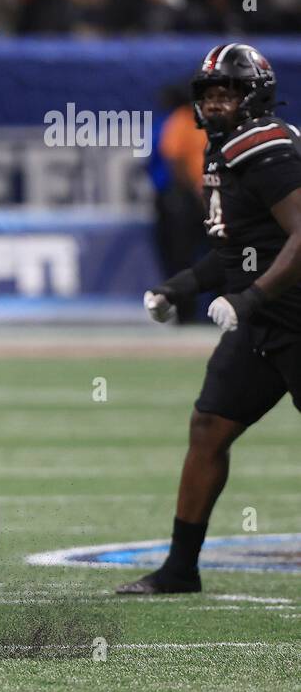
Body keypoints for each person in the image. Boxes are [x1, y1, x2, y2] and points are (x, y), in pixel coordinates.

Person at [123, 44, 301, 594]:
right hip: (265, 324)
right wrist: (177, 289)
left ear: (255, 98)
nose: (217, 103)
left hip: (295, 319)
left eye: (229, 92)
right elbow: (232, 253)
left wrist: (246, 299)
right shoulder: (223, 149)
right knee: (209, 429)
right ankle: (181, 569)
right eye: (210, 93)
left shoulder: (267, 148)